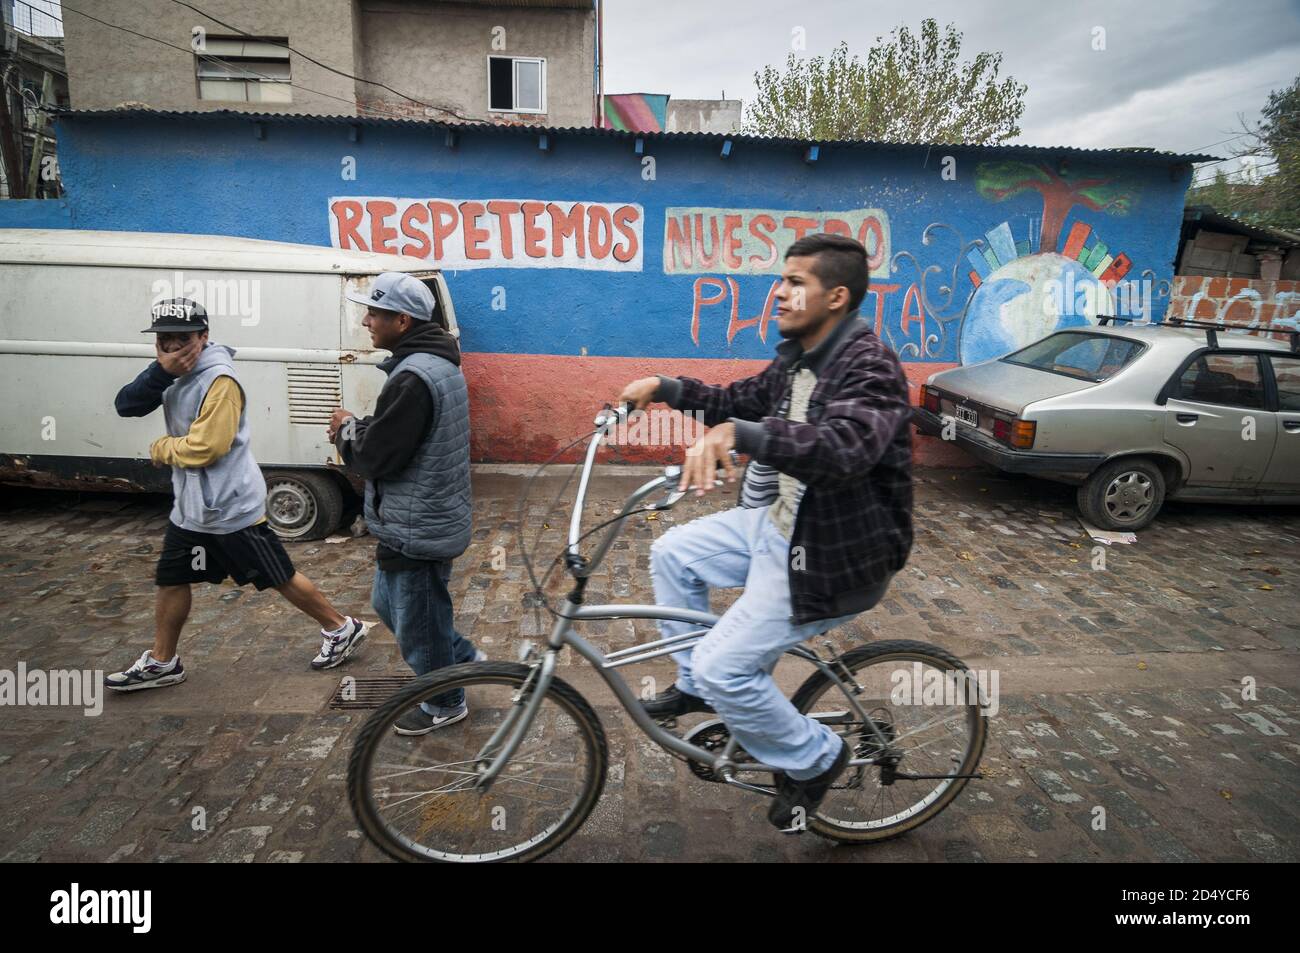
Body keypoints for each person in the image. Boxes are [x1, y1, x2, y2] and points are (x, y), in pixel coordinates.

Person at [617, 234, 914, 829]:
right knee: (673, 552)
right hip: (781, 525)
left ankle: (817, 759)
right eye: (783, 279)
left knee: (729, 666)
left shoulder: (871, 367)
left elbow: (843, 450)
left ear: (836, 296)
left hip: (832, 552)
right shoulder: (796, 358)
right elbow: (738, 400)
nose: (780, 291)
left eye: (795, 282)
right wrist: (665, 388)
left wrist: (742, 437)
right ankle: (693, 684)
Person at [107, 298, 369, 692]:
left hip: (229, 507)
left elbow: (206, 447)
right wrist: (160, 372)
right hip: (192, 508)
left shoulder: (220, 382)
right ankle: (163, 661)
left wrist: (162, 449)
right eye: (164, 340)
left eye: (182, 339)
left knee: (278, 575)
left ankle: (340, 627)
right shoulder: (169, 371)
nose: (173, 348)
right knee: (172, 577)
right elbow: (126, 405)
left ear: (204, 336)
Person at [328, 272, 481, 736]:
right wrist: (363, 424)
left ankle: (444, 700)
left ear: (402, 319)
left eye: (374, 312)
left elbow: (377, 458)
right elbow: (402, 433)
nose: (366, 320)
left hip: (418, 523)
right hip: (417, 515)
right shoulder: (430, 364)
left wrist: (345, 432)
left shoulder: (414, 377)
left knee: (417, 624)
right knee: (388, 604)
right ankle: (461, 658)